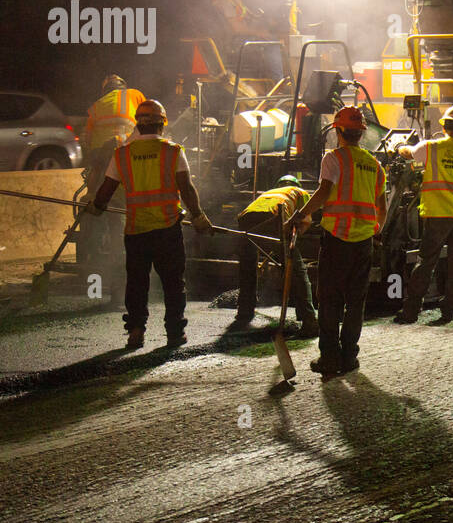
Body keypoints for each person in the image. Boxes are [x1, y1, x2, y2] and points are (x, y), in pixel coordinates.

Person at [87, 99, 213, 349]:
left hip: (136, 231)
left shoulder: (121, 154)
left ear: (138, 124)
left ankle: (136, 330)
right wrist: (198, 216)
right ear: (162, 124)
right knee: (173, 283)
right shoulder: (173, 151)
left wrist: (96, 207)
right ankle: (175, 333)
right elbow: (186, 188)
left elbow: (106, 189)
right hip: (168, 229)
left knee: (136, 283)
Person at [288, 106, 385, 378]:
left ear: (339, 131)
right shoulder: (375, 165)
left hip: (336, 240)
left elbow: (323, 192)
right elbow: (383, 208)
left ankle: (329, 358)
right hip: (364, 241)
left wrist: (301, 214)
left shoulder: (334, 159)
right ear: (360, 133)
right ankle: (349, 357)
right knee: (356, 301)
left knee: (330, 300)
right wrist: (376, 231)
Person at [393, 104, 453, 325]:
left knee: (426, 261)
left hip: (439, 214)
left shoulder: (431, 147)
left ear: (445, 126)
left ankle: (411, 311)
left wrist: (401, 145)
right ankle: (449, 310)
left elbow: (408, 154)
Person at [235, 174, 317, 334]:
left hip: (245, 220)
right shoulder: (300, 192)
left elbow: (258, 221)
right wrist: (296, 234)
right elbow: (306, 220)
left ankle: (245, 310)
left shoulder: (269, 193)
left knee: (247, 267)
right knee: (297, 270)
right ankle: (309, 320)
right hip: (274, 218)